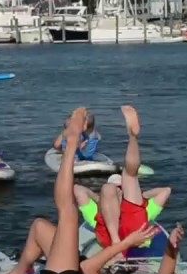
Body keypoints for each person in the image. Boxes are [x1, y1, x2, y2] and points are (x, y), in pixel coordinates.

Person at [0, 107, 187, 274]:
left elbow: (89, 269)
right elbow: (166, 272)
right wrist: (172, 247)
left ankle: (72, 143)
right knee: (40, 227)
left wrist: (125, 243)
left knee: (68, 211)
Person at [73, 105, 171, 250]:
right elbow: (166, 191)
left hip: (114, 232)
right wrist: (142, 196)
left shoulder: (96, 213)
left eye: (119, 188)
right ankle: (133, 137)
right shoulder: (146, 211)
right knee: (130, 176)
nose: (118, 190)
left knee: (120, 181)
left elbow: (78, 189)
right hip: (130, 227)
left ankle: (116, 241)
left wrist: (100, 199)